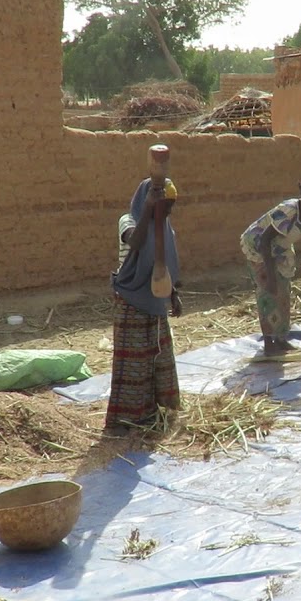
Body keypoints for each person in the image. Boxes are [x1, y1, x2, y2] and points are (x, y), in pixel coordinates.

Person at [107, 153, 183, 427]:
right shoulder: (128, 220)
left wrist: (173, 293)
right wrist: (149, 209)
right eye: (165, 205)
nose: (168, 211)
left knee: (158, 358)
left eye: (170, 206)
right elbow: (137, 243)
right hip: (131, 300)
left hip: (156, 298)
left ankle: (156, 411)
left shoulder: (166, 227)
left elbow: (165, 263)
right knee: (135, 362)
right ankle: (129, 419)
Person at [241, 176, 301, 356]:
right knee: (268, 294)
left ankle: (281, 339)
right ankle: (269, 342)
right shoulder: (288, 210)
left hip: (280, 249)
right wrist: (270, 275)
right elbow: (264, 241)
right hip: (258, 247)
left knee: (284, 293)